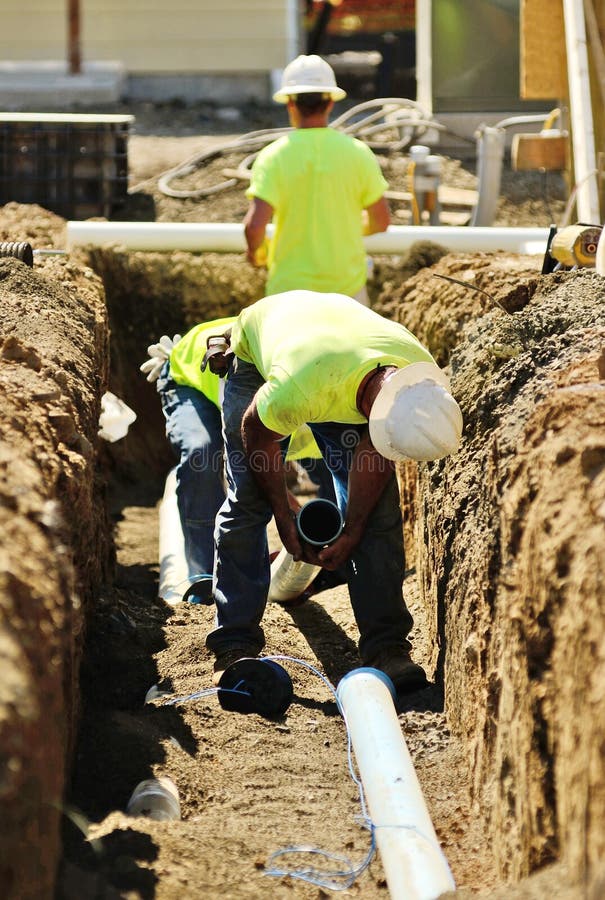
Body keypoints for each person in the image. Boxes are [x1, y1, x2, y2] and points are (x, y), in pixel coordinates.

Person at [203, 290, 463, 692]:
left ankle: (386, 648)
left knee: (378, 511)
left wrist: (354, 527)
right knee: (249, 503)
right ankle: (235, 643)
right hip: (266, 359)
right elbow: (256, 434)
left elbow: (376, 449)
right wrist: (284, 517)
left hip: (346, 364)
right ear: (378, 412)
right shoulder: (298, 386)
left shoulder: (420, 382)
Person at [243, 54, 390, 306]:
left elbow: (254, 228)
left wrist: (254, 253)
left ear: (290, 103)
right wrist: (350, 227)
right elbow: (381, 221)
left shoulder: (273, 156)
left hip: (288, 295)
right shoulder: (358, 153)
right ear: (330, 102)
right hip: (347, 294)